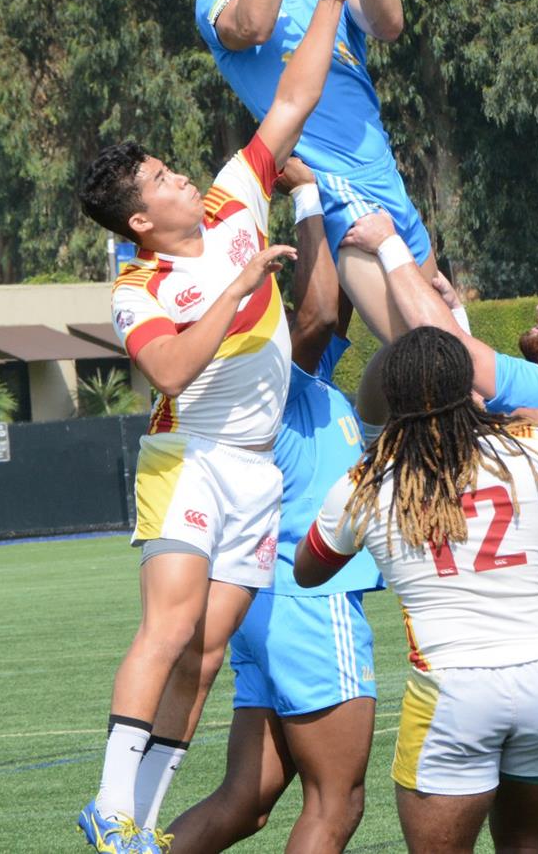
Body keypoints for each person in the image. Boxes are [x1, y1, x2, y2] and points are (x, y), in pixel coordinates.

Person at [73, 0, 369, 854]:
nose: (177, 172)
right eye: (159, 177)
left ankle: (145, 824)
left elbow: (292, 99)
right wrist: (241, 290)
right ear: (138, 217)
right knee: (167, 629)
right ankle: (110, 807)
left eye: (168, 165)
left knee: (205, 657)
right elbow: (165, 369)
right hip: (188, 460)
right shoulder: (136, 286)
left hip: (254, 473)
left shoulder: (234, 199)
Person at [342, 211, 538, 853]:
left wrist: (388, 245)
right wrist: (457, 319)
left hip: (537, 622)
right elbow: (469, 392)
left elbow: (455, 360)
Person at [166, 160, 380, 853]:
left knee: (245, 801)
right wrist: (307, 192)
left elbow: (333, 305)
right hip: (309, 599)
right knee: (337, 802)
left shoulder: (271, 383)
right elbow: (318, 306)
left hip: (262, 603)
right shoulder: (265, 376)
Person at [197, 0, 437, 343]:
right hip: (337, 194)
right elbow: (255, 25)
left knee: (445, 336)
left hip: (387, 182)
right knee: (426, 348)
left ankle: (360, 419)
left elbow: (389, 26)